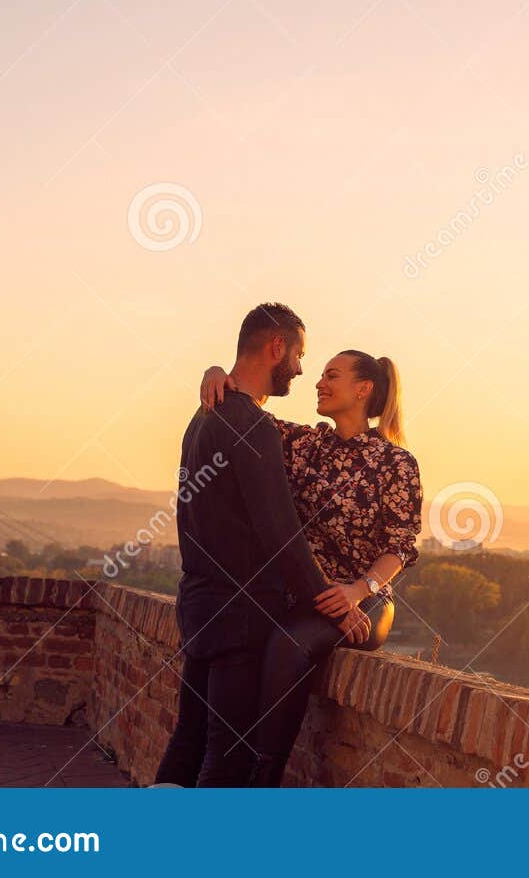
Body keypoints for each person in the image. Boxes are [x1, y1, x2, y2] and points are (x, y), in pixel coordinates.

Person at [153, 303, 362, 787]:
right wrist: (331, 603)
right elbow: (280, 534)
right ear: (276, 347)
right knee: (225, 761)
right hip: (240, 619)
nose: (302, 369)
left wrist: (213, 371)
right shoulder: (251, 425)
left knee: (187, 743)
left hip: (202, 606)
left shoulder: (204, 415)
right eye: (299, 354)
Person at [198, 347, 423, 787]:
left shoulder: (396, 463)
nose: (319, 382)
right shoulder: (305, 444)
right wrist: (216, 371)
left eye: (332, 376)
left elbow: (400, 547)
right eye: (320, 374)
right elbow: (242, 418)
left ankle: (264, 781)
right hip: (306, 595)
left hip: (366, 601)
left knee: (288, 645)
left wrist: (359, 590)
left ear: (363, 390)